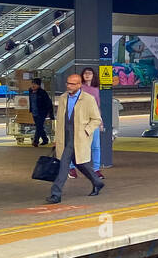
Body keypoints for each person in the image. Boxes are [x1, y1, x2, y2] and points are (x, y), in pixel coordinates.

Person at [47, 73, 104, 204]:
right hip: (65, 137)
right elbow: (60, 120)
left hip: (79, 137)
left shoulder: (88, 99)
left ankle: (56, 194)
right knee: (79, 163)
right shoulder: (62, 98)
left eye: (72, 84)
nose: (68, 86)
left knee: (64, 164)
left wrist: (86, 131)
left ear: (79, 85)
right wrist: (56, 138)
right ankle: (97, 182)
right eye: (67, 83)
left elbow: (96, 119)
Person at [78, 66, 103, 179]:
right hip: (82, 121)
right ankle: (72, 167)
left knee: (96, 146)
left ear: (93, 76)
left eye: (90, 73)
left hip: (94, 121)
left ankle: (96, 169)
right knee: (79, 145)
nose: (87, 75)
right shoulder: (79, 88)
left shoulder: (96, 89)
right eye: (85, 73)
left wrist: (100, 122)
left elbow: (97, 106)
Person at [28, 77, 53, 148]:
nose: (33, 85)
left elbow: (48, 102)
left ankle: (35, 141)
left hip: (42, 111)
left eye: (35, 84)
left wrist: (49, 113)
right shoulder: (30, 91)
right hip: (34, 111)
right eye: (32, 84)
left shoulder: (42, 92)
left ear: (39, 85)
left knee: (38, 126)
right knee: (39, 126)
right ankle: (45, 139)